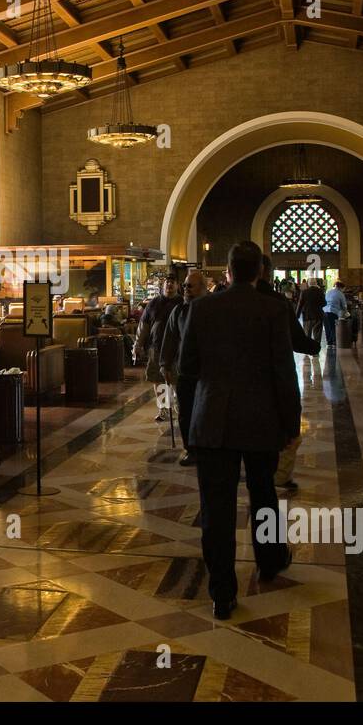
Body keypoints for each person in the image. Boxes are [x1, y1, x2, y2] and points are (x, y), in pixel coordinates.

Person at [180, 241, 298, 620]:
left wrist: (196, 415)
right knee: (263, 493)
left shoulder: (200, 309)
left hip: (212, 421)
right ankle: (269, 560)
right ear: (259, 272)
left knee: (216, 508)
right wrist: (290, 423)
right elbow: (284, 371)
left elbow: (187, 369)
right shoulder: (274, 310)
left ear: (228, 271)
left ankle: (222, 592)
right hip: (261, 420)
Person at [160, 269, 206, 466]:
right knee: (186, 412)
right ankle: (191, 449)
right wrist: (165, 363)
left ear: (203, 289)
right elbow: (169, 338)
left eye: (190, 286)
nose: (186, 289)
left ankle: (207, 447)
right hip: (185, 372)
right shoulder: (179, 311)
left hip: (207, 372)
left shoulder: (211, 310)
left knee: (205, 411)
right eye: (185, 285)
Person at [135, 273, 182, 422]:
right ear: (163, 285)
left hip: (177, 349)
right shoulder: (153, 303)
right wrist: (138, 344)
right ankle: (163, 408)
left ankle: (179, 407)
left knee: (176, 379)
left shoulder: (182, 303)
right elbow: (144, 326)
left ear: (177, 285)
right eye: (167, 282)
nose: (169, 285)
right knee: (158, 379)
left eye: (172, 282)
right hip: (156, 347)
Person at [259, 254, 320, 359]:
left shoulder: (224, 301)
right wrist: (315, 347)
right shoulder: (277, 302)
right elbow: (296, 340)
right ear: (265, 271)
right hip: (274, 366)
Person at [296, 278, 325, 348]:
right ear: (316, 283)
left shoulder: (304, 292)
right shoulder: (320, 291)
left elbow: (300, 304)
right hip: (318, 315)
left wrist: (297, 315)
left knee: (307, 333)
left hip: (307, 315)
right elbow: (324, 303)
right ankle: (316, 348)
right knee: (317, 334)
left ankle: (307, 348)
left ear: (308, 284)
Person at [323, 280, 348, 347]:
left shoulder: (328, 292)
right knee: (333, 327)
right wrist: (346, 312)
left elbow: (324, 301)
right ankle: (334, 342)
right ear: (341, 287)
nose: (344, 290)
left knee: (327, 327)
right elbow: (344, 305)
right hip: (333, 312)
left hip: (325, 311)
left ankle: (329, 342)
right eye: (344, 288)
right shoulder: (340, 293)